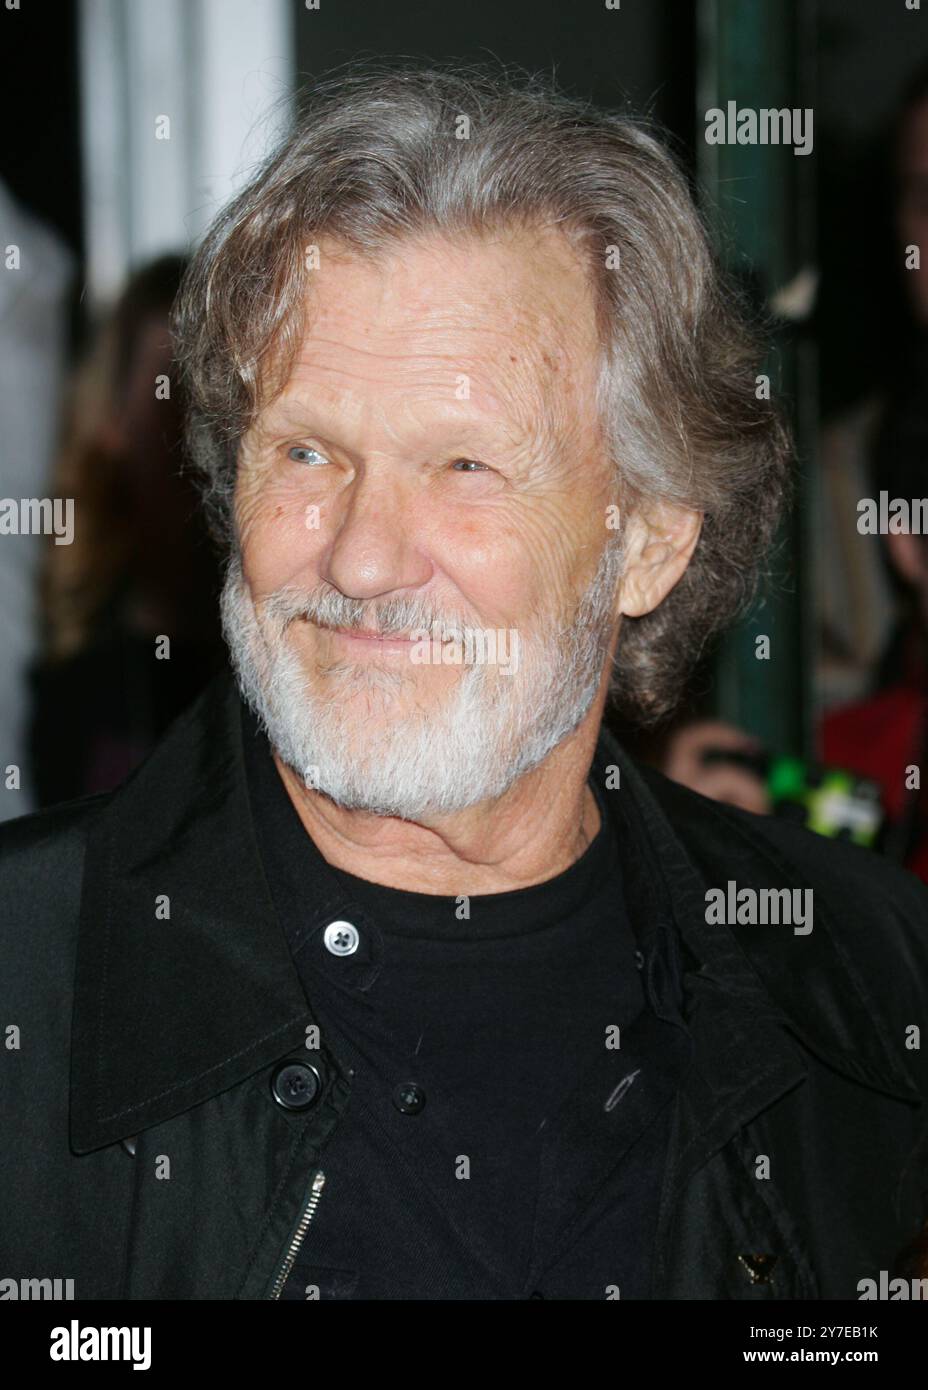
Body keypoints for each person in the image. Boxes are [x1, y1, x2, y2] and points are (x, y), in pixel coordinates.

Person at [1, 63, 926, 1301]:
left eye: (466, 465)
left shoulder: (870, 987)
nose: (362, 555)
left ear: (649, 538)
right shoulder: (28, 986)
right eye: (308, 449)